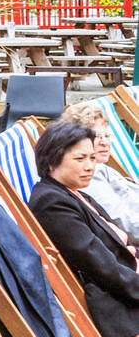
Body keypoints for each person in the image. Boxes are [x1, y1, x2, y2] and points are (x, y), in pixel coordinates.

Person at [28, 121, 139, 337]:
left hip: (126, 278)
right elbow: (100, 266)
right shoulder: (52, 203)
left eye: (91, 157)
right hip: (116, 305)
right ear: (51, 161)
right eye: (79, 159)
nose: (90, 166)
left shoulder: (71, 193)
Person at [61, 103, 139, 243]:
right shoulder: (88, 177)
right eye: (96, 137)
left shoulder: (101, 168)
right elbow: (124, 224)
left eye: (107, 136)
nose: (105, 142)